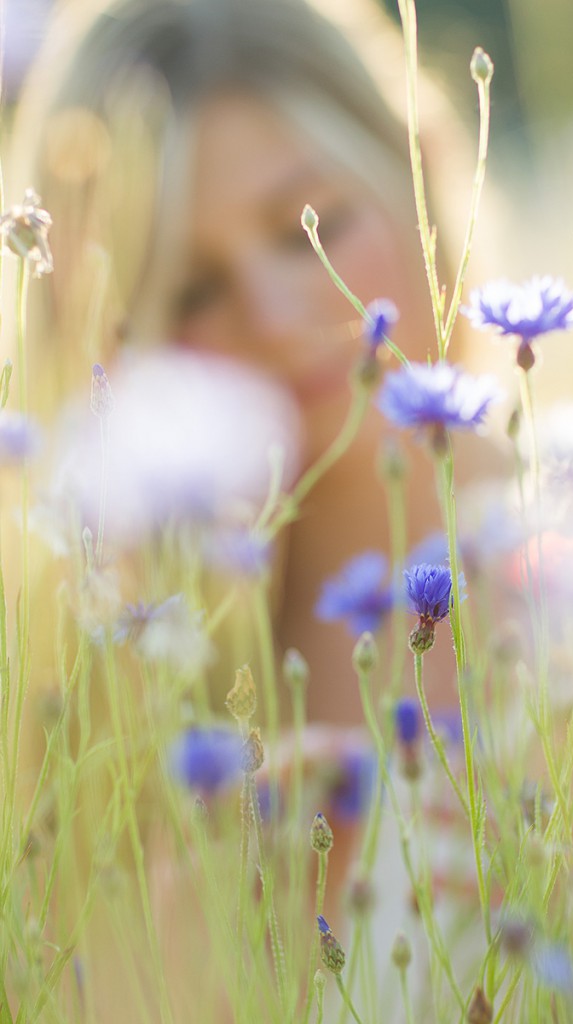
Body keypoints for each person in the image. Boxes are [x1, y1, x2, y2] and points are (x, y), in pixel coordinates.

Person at [6, 0, 511, 1019]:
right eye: (190, 289)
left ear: (419, 177)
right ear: (96, 342)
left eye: (304, 229)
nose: (281, 319)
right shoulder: (76, 735)